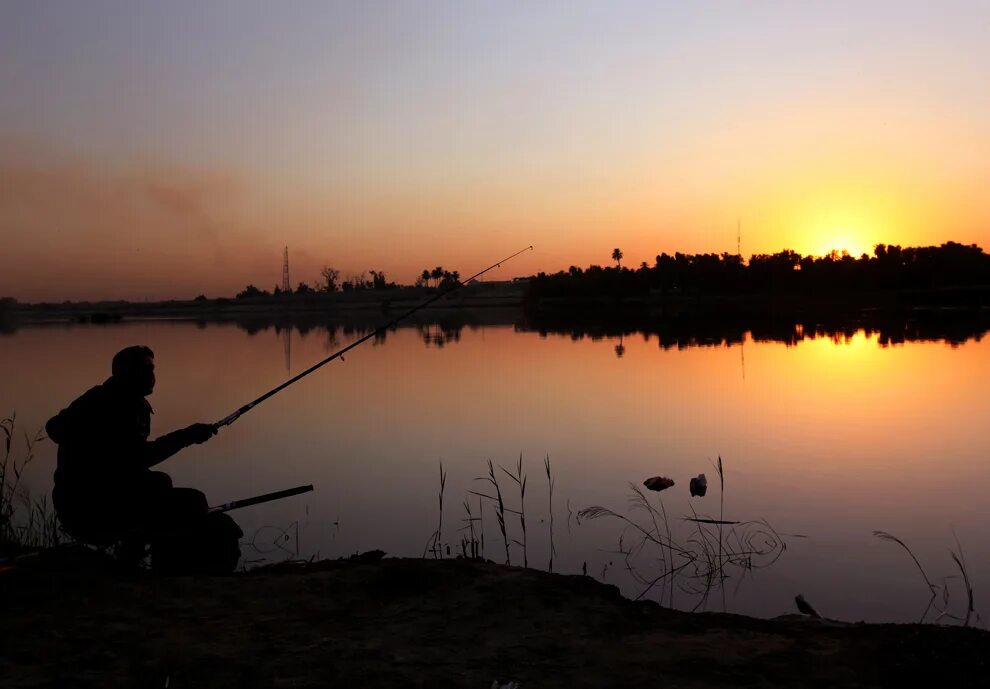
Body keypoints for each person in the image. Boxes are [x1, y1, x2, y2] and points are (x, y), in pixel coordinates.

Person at [46, 345, 241, 574]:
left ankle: (138, 557)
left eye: (152, 369)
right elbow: (135, 458)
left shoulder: (127, 402)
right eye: (143, 369)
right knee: (182, 497)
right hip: (88, 506)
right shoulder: (104, 402)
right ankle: (154, 564)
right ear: (123, 373)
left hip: (105, 497)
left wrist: (188, 435)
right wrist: (187, 436)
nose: (151, 376)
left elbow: (132, 459)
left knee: (166, 487)